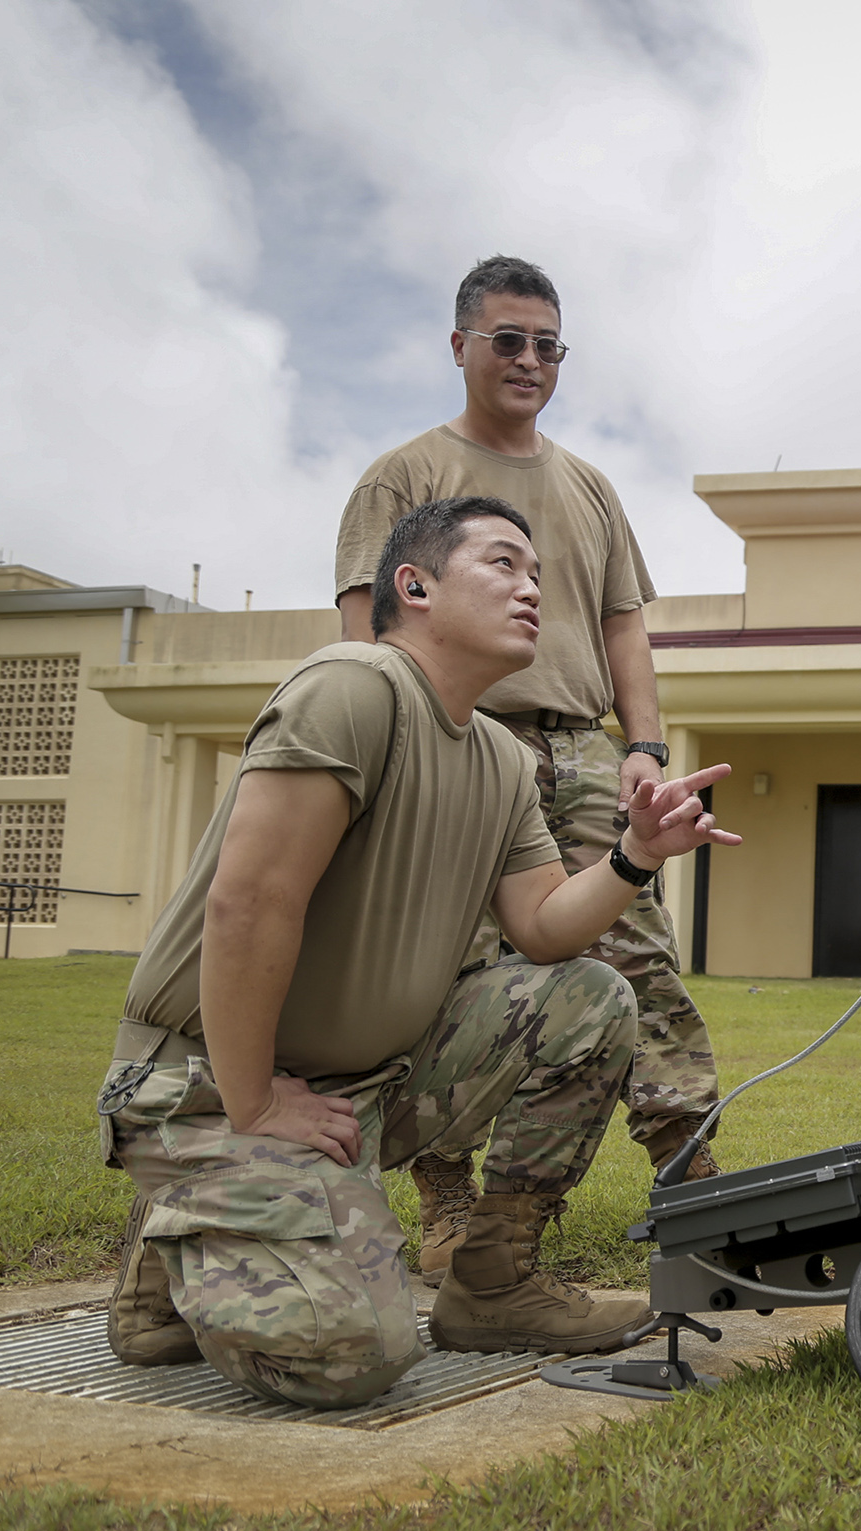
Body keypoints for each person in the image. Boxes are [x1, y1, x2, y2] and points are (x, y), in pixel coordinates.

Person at [101, 498, 740, 1407]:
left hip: (360, 1086)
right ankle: (188, 1209)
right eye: (505, 566)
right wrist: (252, 1100)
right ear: (415, 585)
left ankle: (491, 1282)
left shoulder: (499, 760)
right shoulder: (353, 687)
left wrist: (636, 855)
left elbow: (545, 927)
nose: (533, 591)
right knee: (352, 1354)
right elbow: (250, 904)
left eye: (540, 577)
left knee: (591, 997)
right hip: (209, 1079)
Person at [332, 256, 722, 1286]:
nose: (529, 360)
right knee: (448, 967)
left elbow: (623, 624)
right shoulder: (402, 479)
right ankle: (450, 1200)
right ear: (460, 345)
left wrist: (643, 745)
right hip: (459, 738)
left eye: (548, 344)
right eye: (507, 339)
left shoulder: (588, 485)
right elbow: (367, 637)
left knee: (635, 951)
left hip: (584, 747)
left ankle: (693, 1178)